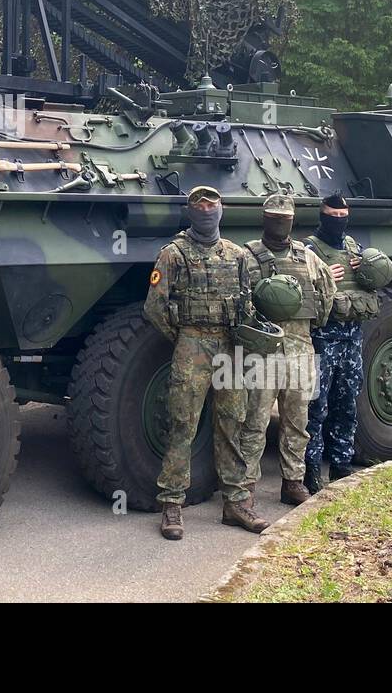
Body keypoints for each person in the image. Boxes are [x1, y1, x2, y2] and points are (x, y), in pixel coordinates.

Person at [143, 185, 264, 538]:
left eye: (213, 204)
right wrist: (183, 338)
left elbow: (247, 303)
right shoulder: (174, 254)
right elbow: (154, 307)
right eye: (200, 204)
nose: (207, 210)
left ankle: (236, 504)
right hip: (193, 344)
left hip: (229, 345)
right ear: (191, 211)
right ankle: (172, 505)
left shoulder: (237, 255)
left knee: (232, 422)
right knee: (183, 424)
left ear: (222, 210)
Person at [239, 193, 336, 507]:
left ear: (292, 221)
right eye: (273, 217)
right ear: (264, 219)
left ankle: (292, 481)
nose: (279, 223)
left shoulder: (307, 257)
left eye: (284, 218)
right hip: (262, 351)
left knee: (297, 420)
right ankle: (246, 484)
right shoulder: (248, 256)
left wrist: (314, 322)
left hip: (299, 350)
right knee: (254, 420)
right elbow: (236, 299)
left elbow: (326, 290)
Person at [303, 194, 378, 493]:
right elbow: (295, 290)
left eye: (343, 214)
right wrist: (322, 278)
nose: (338, 219)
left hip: (351, 336)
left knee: (346, 402)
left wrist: (369, 268)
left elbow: (372, 281)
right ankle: (311, 469)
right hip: (322, 337)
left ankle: (341, 464)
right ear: (322, 216)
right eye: (333, 214)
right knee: (316, 406)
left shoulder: (353, 247)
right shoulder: (309, 249)